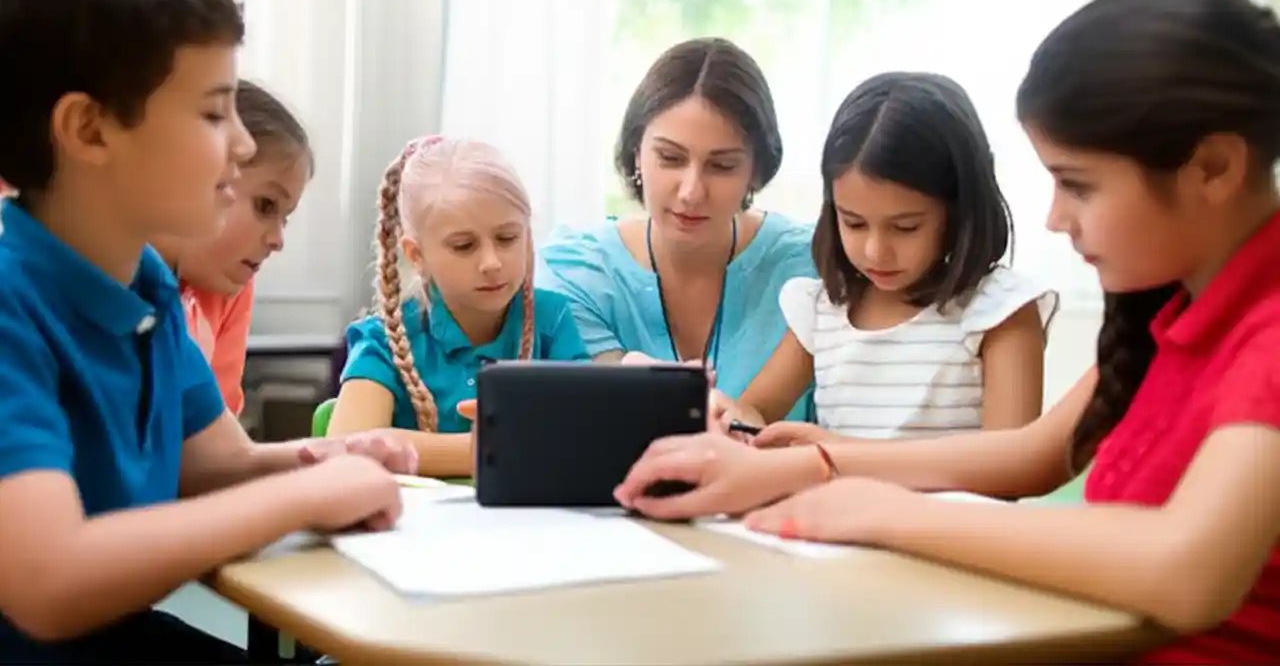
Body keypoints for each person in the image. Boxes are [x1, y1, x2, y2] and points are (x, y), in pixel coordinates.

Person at [616, 0, 1280, 663]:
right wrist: (818, 464)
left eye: (1077, 185)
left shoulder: (1268, 332)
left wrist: (883, 510)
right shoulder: (1175, 311)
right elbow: (1034, 455)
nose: (1055, 218)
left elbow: (1188, 575)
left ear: (1213, 168)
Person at [0, 0, 415, 662]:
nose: (244, 143)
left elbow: (219, 463)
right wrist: (304, 498)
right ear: (89, 130)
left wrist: (324, 459)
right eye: (213, 111)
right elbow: (47, 579)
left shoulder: (147, 289)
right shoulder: (12, 306)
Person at [714, 72, 1056, 443]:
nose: (876, 250)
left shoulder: (1000, 310)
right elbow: (756, 411)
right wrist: (729, 416)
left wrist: (838, 456)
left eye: (905, 227)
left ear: (958, 210)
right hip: (835, 502)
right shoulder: (823, 309)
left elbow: (1008, 467)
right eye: (855, 223)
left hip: (950, 505)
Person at [539, 37, 817, 420]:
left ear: (756, 170)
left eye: (722, 166)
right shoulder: (576, 272)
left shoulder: (813, 265)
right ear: (636, 152)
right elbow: (598, 410)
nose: (691, 192)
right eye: (670, 158)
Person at [327, 136, 590, 478]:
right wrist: (489, 450)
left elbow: (586, 431)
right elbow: (349, 447)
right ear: (417, 256)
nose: (492, 262)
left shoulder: (552, 319)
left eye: (508, 238)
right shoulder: (382, 339)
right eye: (464, 246)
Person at [152, 79, 313, 414]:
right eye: (266, 206)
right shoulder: (113, 270)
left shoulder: (232, 287)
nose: (277, 240)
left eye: (286, 219)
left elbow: (218, 436)